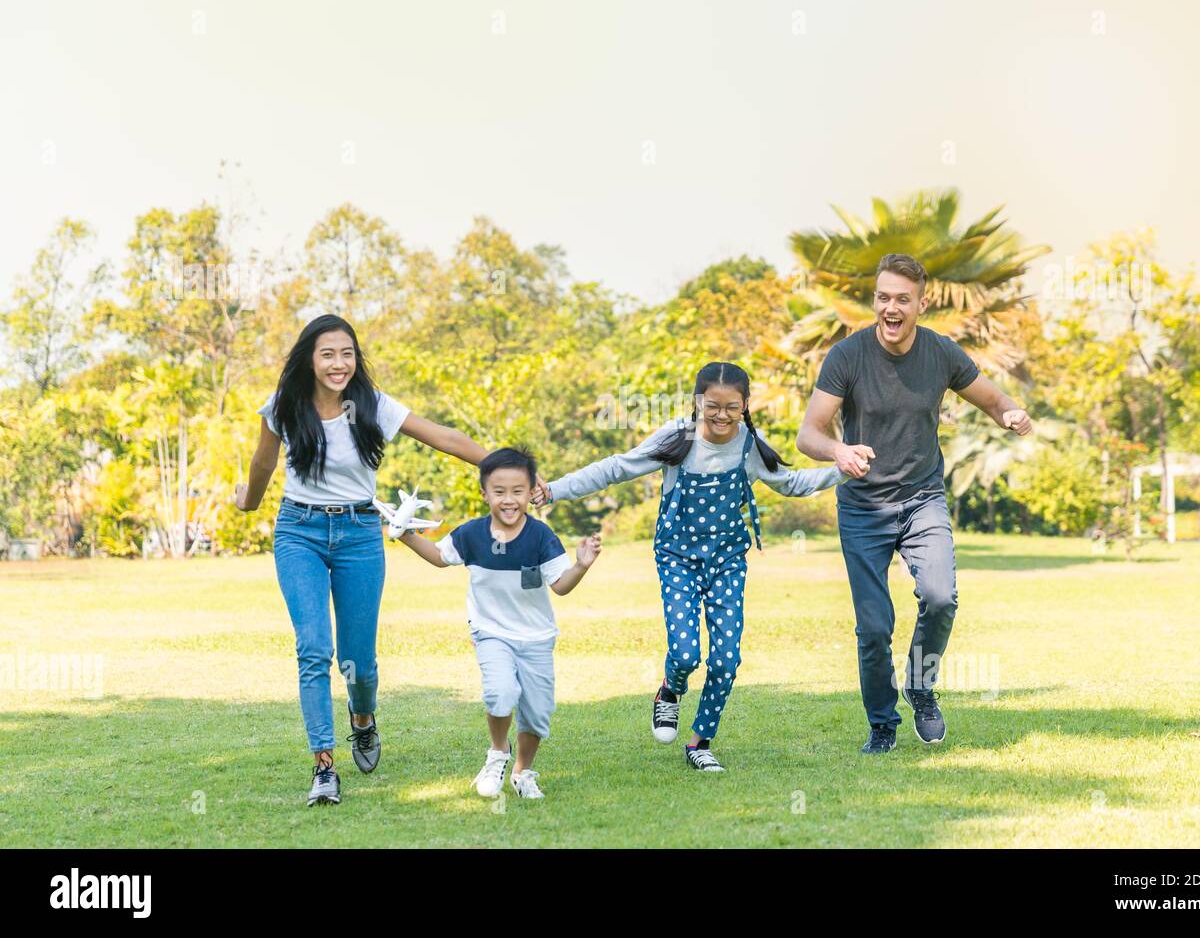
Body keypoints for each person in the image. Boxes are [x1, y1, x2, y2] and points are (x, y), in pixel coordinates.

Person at [234, 314, 532, 806]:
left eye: (347, 353)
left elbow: (443, 436)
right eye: (328, 353)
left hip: (358, 536)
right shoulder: (284, 407)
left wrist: (505, 469)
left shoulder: (371, 405)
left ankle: (363, 718)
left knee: (360, 665)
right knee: (313, 649)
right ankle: (324, 768)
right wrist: (248, 501)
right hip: (298, 532)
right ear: (309, 357)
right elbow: (263, 463)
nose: (339, 363)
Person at [534, 362, 843, 772]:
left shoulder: (751, 445)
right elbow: (615, 468)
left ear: (745, 405)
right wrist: (554, 490)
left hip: (728, 562)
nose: (720, 415)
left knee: (726, 659)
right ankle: (669, 692)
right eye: (712, 406)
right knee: (684, 653)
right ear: (697, 402)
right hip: (677, 558)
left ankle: (700, 742)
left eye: (731, 407)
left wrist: (843, 470)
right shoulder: (678, 438)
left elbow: (792, 483)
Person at [796, 254, 1032, 754]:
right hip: (863, 507)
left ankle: (921, 687)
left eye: (902, 299)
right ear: (874, 300)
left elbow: (991, 400)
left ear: (921, 304)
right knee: (874, 626)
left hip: (922, 498)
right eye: (883, 297)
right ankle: (882, 724)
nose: (891, 308)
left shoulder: (941, 354)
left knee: (941, 597)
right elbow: (808, 433)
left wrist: (1011, 414)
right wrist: (839, 450)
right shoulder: (847, 356)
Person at [397, 447, 600, 800]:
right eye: (500, 492)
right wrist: (405, 534)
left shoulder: (541, 538)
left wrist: (581, 565)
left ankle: (523, 771)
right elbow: (440, 557)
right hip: (490, 632)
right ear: (484, 493)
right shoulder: (471, 535)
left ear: (531, 492)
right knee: (500, 693)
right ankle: (498, 753)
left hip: (536, 637)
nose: (509, 500)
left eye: (518, 491)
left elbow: (561, 586)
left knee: (537, 714)